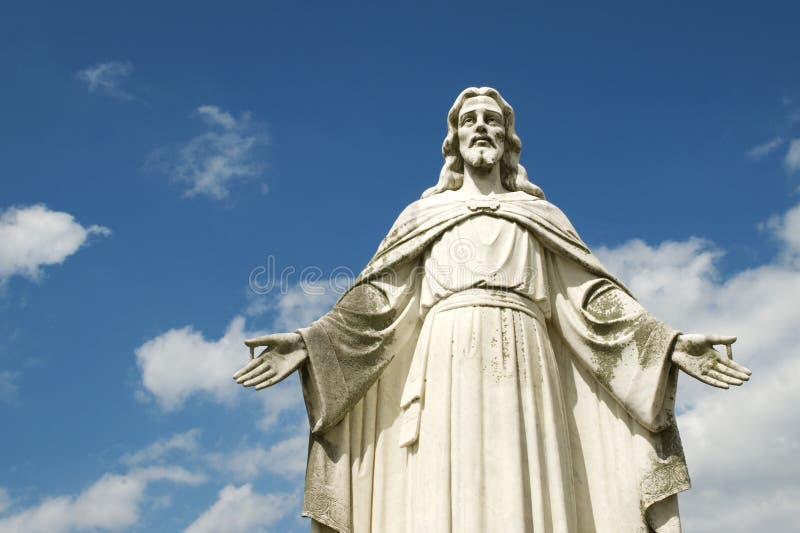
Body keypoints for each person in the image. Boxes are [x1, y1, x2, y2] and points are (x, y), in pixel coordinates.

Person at [233, 87, 751, 533]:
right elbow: (376, 305)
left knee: (528, 479)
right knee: (443, 482)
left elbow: (592, 303)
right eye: (469, 121)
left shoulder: (539, 216)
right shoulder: (422, 217)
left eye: (493, 121)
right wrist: (309, 344)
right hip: (445, 363)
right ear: (454, 140)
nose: (481, 128)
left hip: (527, 365)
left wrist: (668, 345)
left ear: (507, 141)